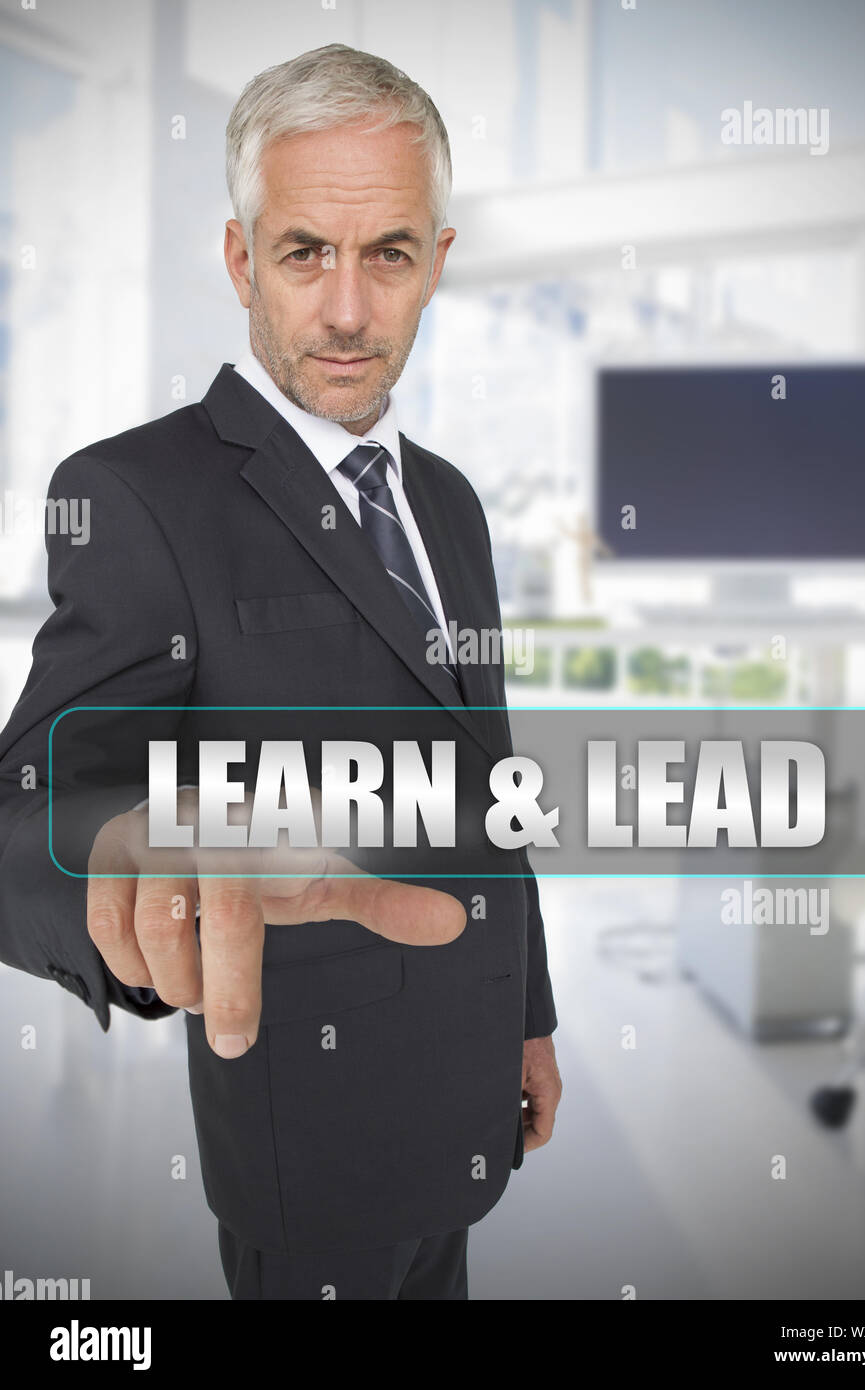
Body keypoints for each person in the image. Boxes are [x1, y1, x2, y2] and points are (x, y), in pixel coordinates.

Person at [0, 42, 560, 1301]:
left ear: (437, 264)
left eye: (389, 255)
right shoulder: (139, 493)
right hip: (312, 1130)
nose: (349, 311)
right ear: (243, 259)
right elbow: (24, 808)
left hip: (467, 1096)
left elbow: (493, 782)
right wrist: (124, 851)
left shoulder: (453, 506)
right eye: (306, 252)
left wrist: (527, 1011)